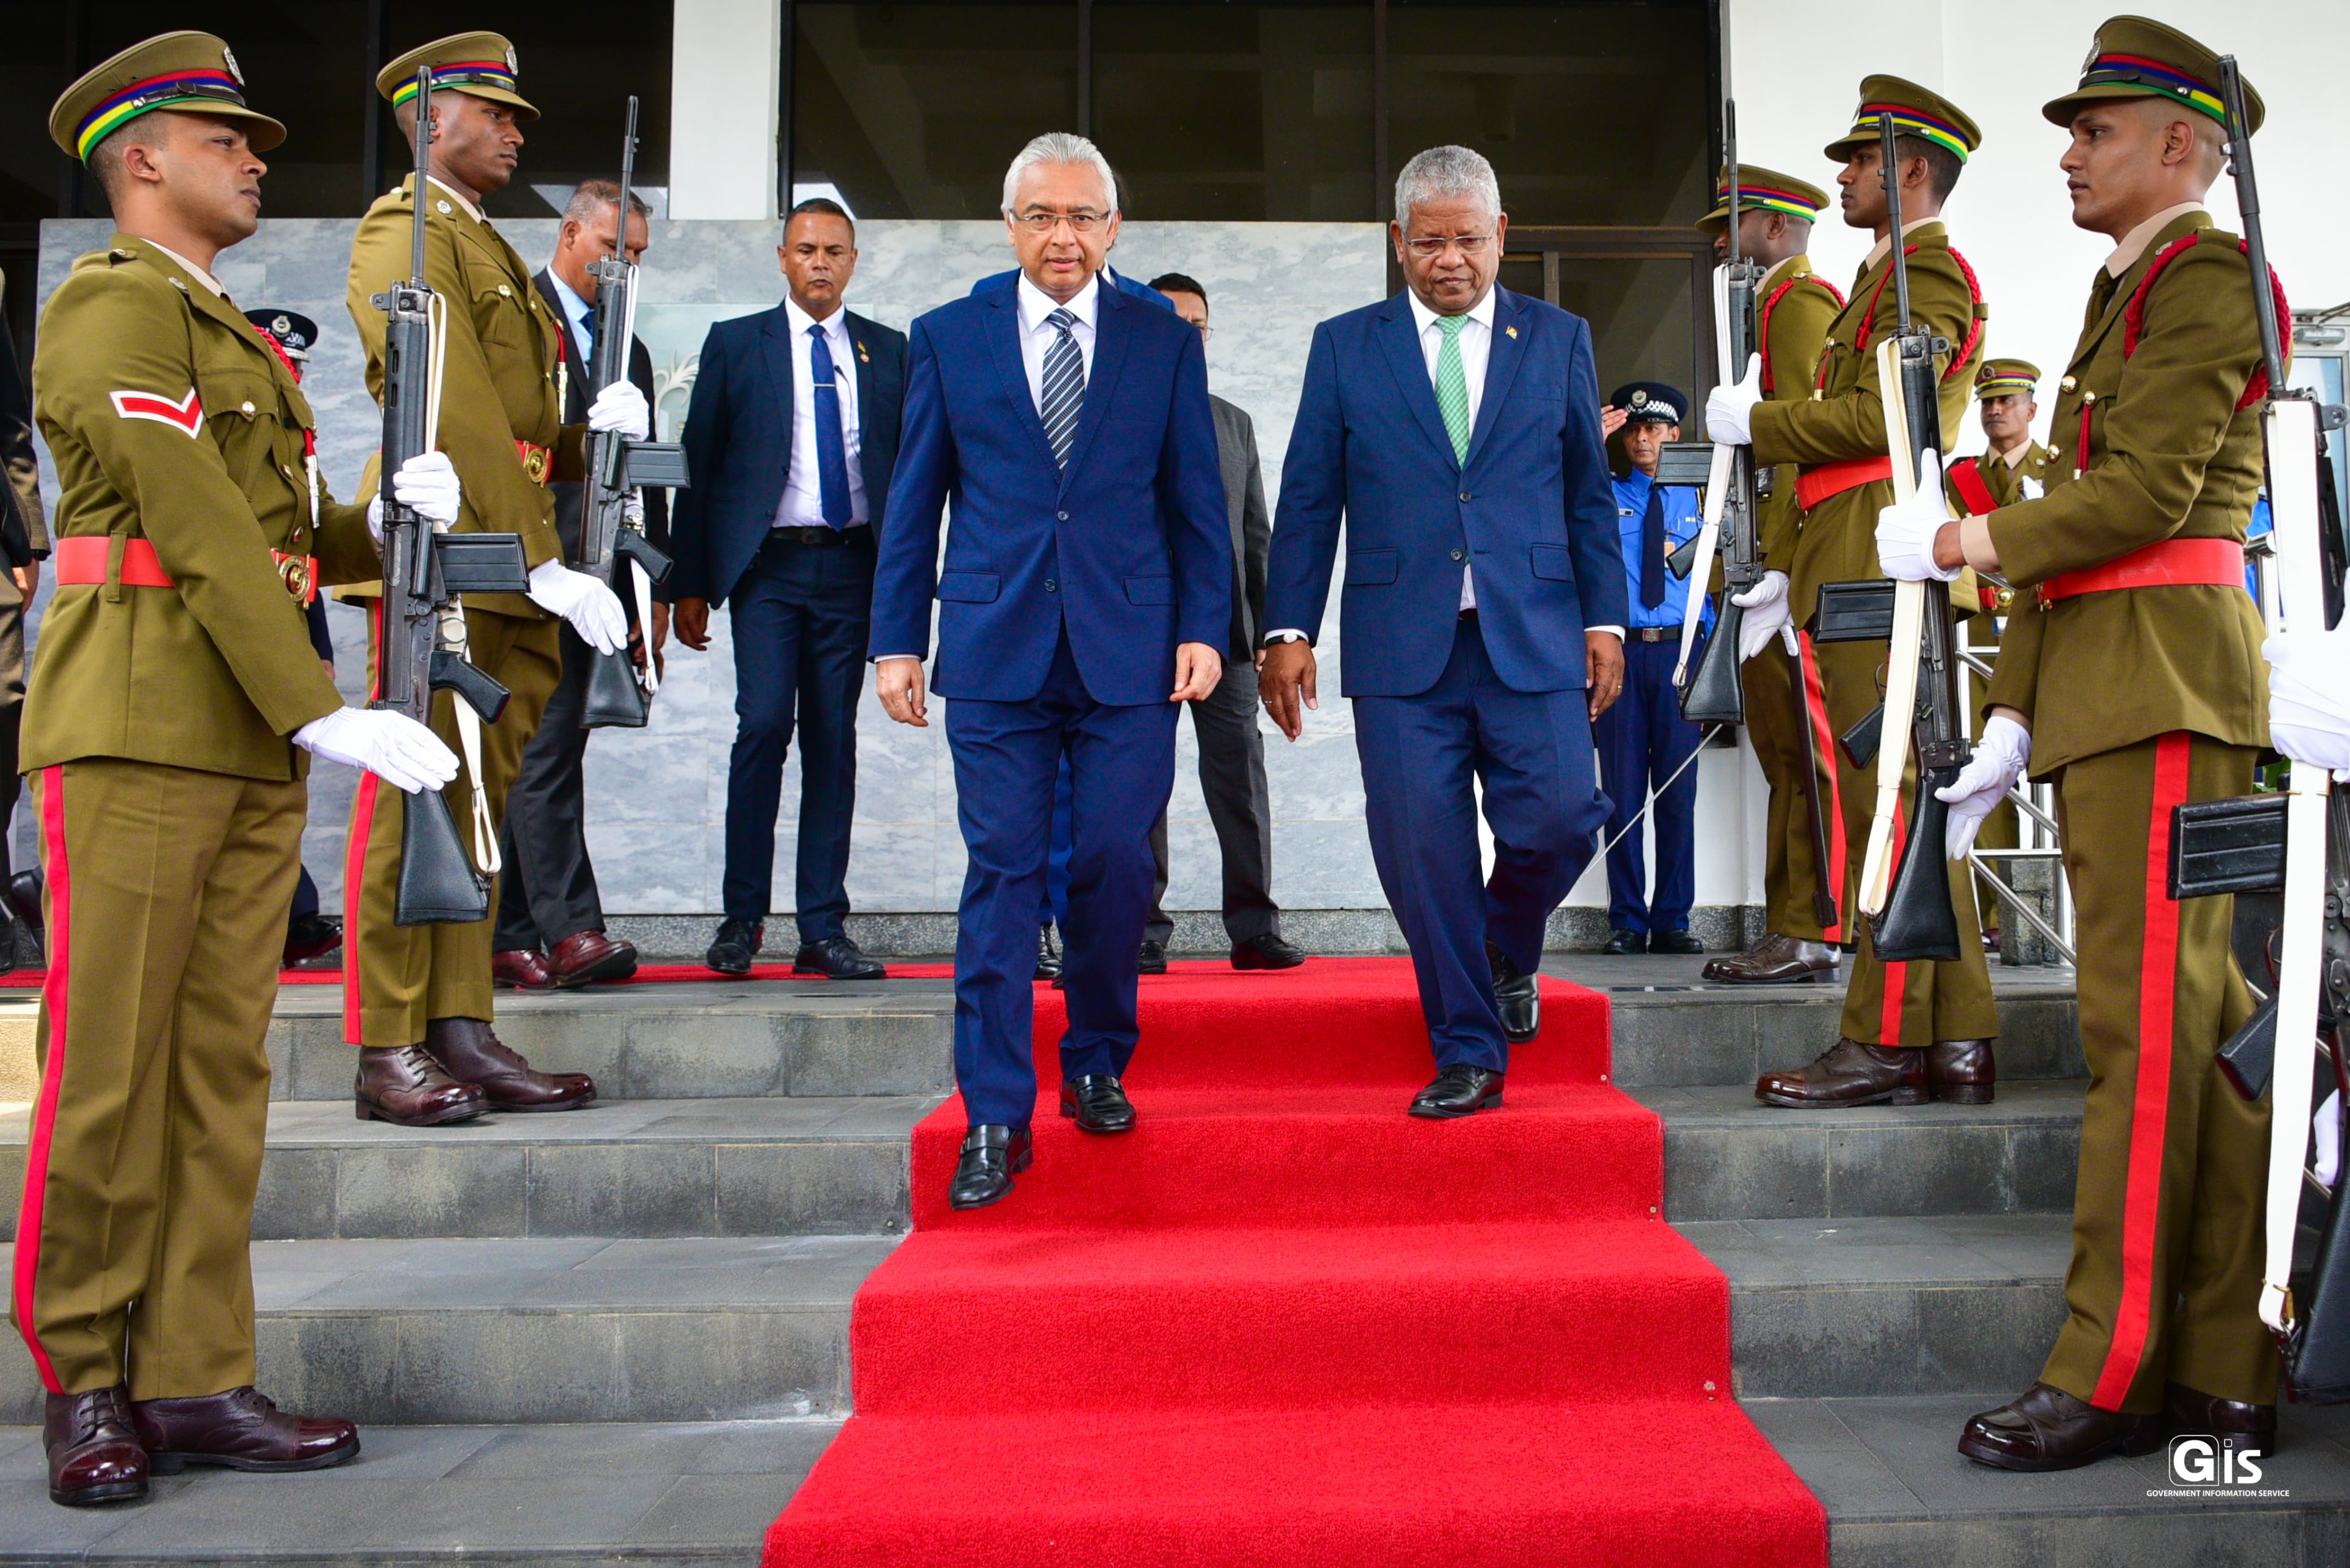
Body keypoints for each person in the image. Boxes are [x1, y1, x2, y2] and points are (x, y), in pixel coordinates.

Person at [18, 31, 463, 1506]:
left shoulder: (238, 338)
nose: (256, 159)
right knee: (111, 1068)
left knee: (220, 1075)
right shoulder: (109, 313)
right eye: (228, 141)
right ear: (143, 160)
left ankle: (195, 1372)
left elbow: (273, 535)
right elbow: (188, 519)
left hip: (249, 739)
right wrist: (316, 709)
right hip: (141, 722)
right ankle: (86, 1376)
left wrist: (379, 520)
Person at [1877, 19, 2283, 1471]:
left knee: (2153, 1043)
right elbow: (2094, 534)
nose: (2066, 151)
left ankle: (2114, 1371)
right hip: (2115, 690)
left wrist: (1955, 537)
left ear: (2180, 144)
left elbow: (2146, 499)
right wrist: (2015, 708)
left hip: (2166, 691)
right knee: (2182, 1033)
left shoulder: (2208, 279)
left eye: (2093, 129)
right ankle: (2221, 1363)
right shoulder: (2139, 290)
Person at [870, 132, 1229, 1209]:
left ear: (1114, 226)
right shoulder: (950, 335)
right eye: (1042, 216)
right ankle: (992, 1110)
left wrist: (1205, 624)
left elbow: (1195, 499)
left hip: (1129, 647)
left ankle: (1097, 1061)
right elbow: (914, 497)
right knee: (1004, 872)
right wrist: (898, 639)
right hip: (992, 648)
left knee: (1116, 864)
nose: (1062, 236)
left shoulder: (1161, 338)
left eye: (1083, 216)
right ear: (1010, 223)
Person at [1260, 144, 1625, 1118]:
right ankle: (1468, 1045)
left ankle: (1504, 941)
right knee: (1422, 851)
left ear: (1501, 235)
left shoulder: (1559, 340)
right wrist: (1287, 625)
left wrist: (1606, 618)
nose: (1450, 259)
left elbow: (1589, 497)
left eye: (1468, 238)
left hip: (1535, 631)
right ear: (1398, 243)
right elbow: (1306, 499)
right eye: (1430, 242)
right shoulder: (1348, 344)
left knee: (1560, 819)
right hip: (1399, 643)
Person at [342, 33, 646, 1125]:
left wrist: (586, 440)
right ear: (431, 120)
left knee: (475, 810)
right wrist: (547, 560)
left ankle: (459, 1026)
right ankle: (389, 1041)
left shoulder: (488, 249)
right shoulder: (405, 232)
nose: (517, 132)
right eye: (496, 113)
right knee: (415, 802)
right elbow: (456, 412)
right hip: (458, 562)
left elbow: (517, 433)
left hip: (505, 567)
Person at [1706, 77, 1999, 1110]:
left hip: (1874, 557)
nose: (1844, 174)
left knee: (1882, 805)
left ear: (1911, 170)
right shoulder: (1886, 280)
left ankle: (1883, 1039)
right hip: (1846, 549)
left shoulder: (1933, 277)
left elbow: (1885, 420)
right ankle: (1958, 1035)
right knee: (1900, 801)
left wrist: (1764, 426)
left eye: (1861, 160)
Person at [669, 198, 903, 980]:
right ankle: (741, 921)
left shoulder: (888, 352)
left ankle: (822, 929)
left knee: (833, 743)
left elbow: (909, 473)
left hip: (851, 569)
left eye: (835, 250)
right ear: (781, 257)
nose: (820, 263)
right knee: (763, 727)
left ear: (853, 260)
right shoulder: (738, 345)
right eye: (805, 249)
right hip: (767, 569)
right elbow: (698, 468)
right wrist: (690, 582)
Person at [490, 180, 673, 991]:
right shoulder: (515, 319)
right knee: (543, 750)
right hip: (527, 568)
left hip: (597, 572)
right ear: (570, 234)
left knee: (554, 748)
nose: (624, 267)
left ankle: (515, 933)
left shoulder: (625, 343)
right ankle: (571, 929)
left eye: (636, 256)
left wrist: (648, 587)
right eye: (612, 250)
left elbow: (643, 473)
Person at [1689, 166, 1849, 988]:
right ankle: (1792, 922)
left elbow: (1800, 452)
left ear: (1778, 231)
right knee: (1782, 759)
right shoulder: (1770, 307)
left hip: (1792, 565)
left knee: (1803, 760)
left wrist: (1783, 562)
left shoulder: (1800, 305)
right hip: (1771, 563)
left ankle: (1811, 925)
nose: (1721, 238)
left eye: (1736, 222)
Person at [1141, 272, 1303, 973]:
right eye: (1170, 323)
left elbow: (1255, 534)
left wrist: (1272, 634)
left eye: (1196, 324)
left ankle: (1254, 928)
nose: (1185, 335)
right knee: (1138, 787)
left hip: (1229, 637)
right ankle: (1139, 931)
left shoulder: (1231, 422)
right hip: (1138, 631)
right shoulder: (1115, 416)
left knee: (1239, 782)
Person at [243, 307, 347, 968]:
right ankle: (286, 912)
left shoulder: (298, 448)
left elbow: (301, 558)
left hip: (285, 618)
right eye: (283, 363)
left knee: (280, 788)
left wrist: (322, 648)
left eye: (299, 367)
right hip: (232, 623)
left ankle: (290, 913)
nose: (293, 376)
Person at [1595, 382, 1707, 957]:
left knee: (1676, 794)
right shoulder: (1601, 493)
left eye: (1654, 429)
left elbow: (1714, 588)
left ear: (1674, 434)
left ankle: (1672, 919)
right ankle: (1626, 921)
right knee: (1618, 793)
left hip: (1677, 657)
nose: (1642, 438)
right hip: (1617, 654)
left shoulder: (1703, 500)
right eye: (1633, 429)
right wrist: (1591, 442)